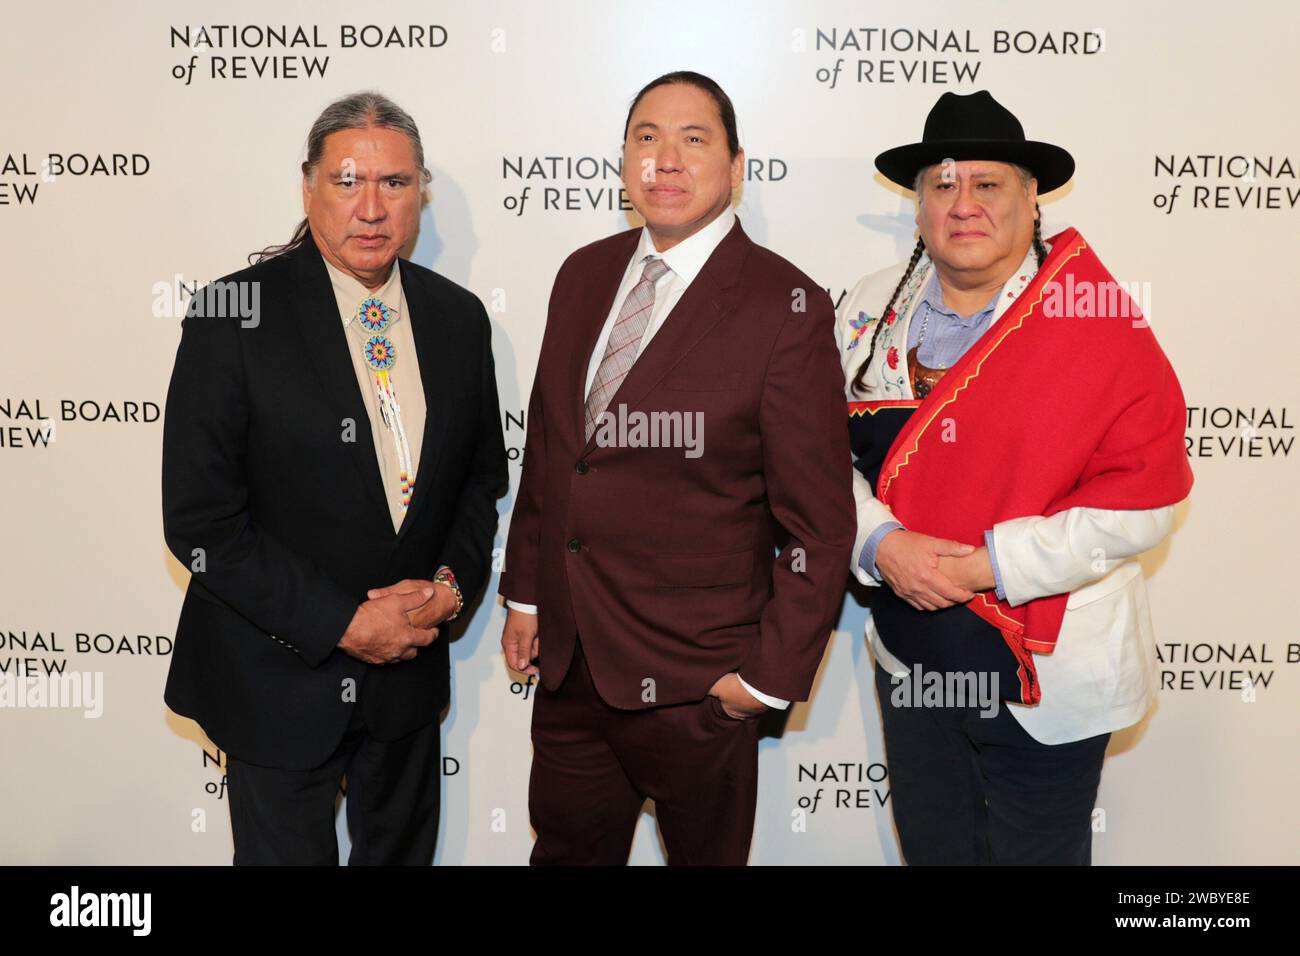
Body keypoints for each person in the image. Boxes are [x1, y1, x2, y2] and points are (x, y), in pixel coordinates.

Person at [499, 71, 854, 865]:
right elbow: (557, 452)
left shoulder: (784, 306)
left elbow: (822, 523)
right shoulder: (583, 273)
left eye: (693, 140)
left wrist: (761, 683)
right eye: (646, 138)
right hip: (571, 667)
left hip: (701, 683)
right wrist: (526, 593)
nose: (666, 158)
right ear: (623, 160)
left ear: (736, 165)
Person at [838, 90, 1193, 864]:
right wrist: (879, 544)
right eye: (942, 183)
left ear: (1033, 201)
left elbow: (1146, 498)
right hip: (912, 666)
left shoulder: (1091, 316)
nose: (963, 204)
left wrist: (991, 564)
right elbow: (817, 460)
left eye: (988, 184)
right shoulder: (865, 309)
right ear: (919, 203)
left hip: (1048, 679)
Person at [162, 91, 507, 865]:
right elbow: (202, 524)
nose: (372, 207)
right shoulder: (231, 315)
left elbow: (479, 485)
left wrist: (450, 588)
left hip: (409, 685)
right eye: (348, 181)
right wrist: (346, 623)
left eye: (395, 183)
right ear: (309, 185)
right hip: (275, 685)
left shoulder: (458, 319)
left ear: (421, 193)